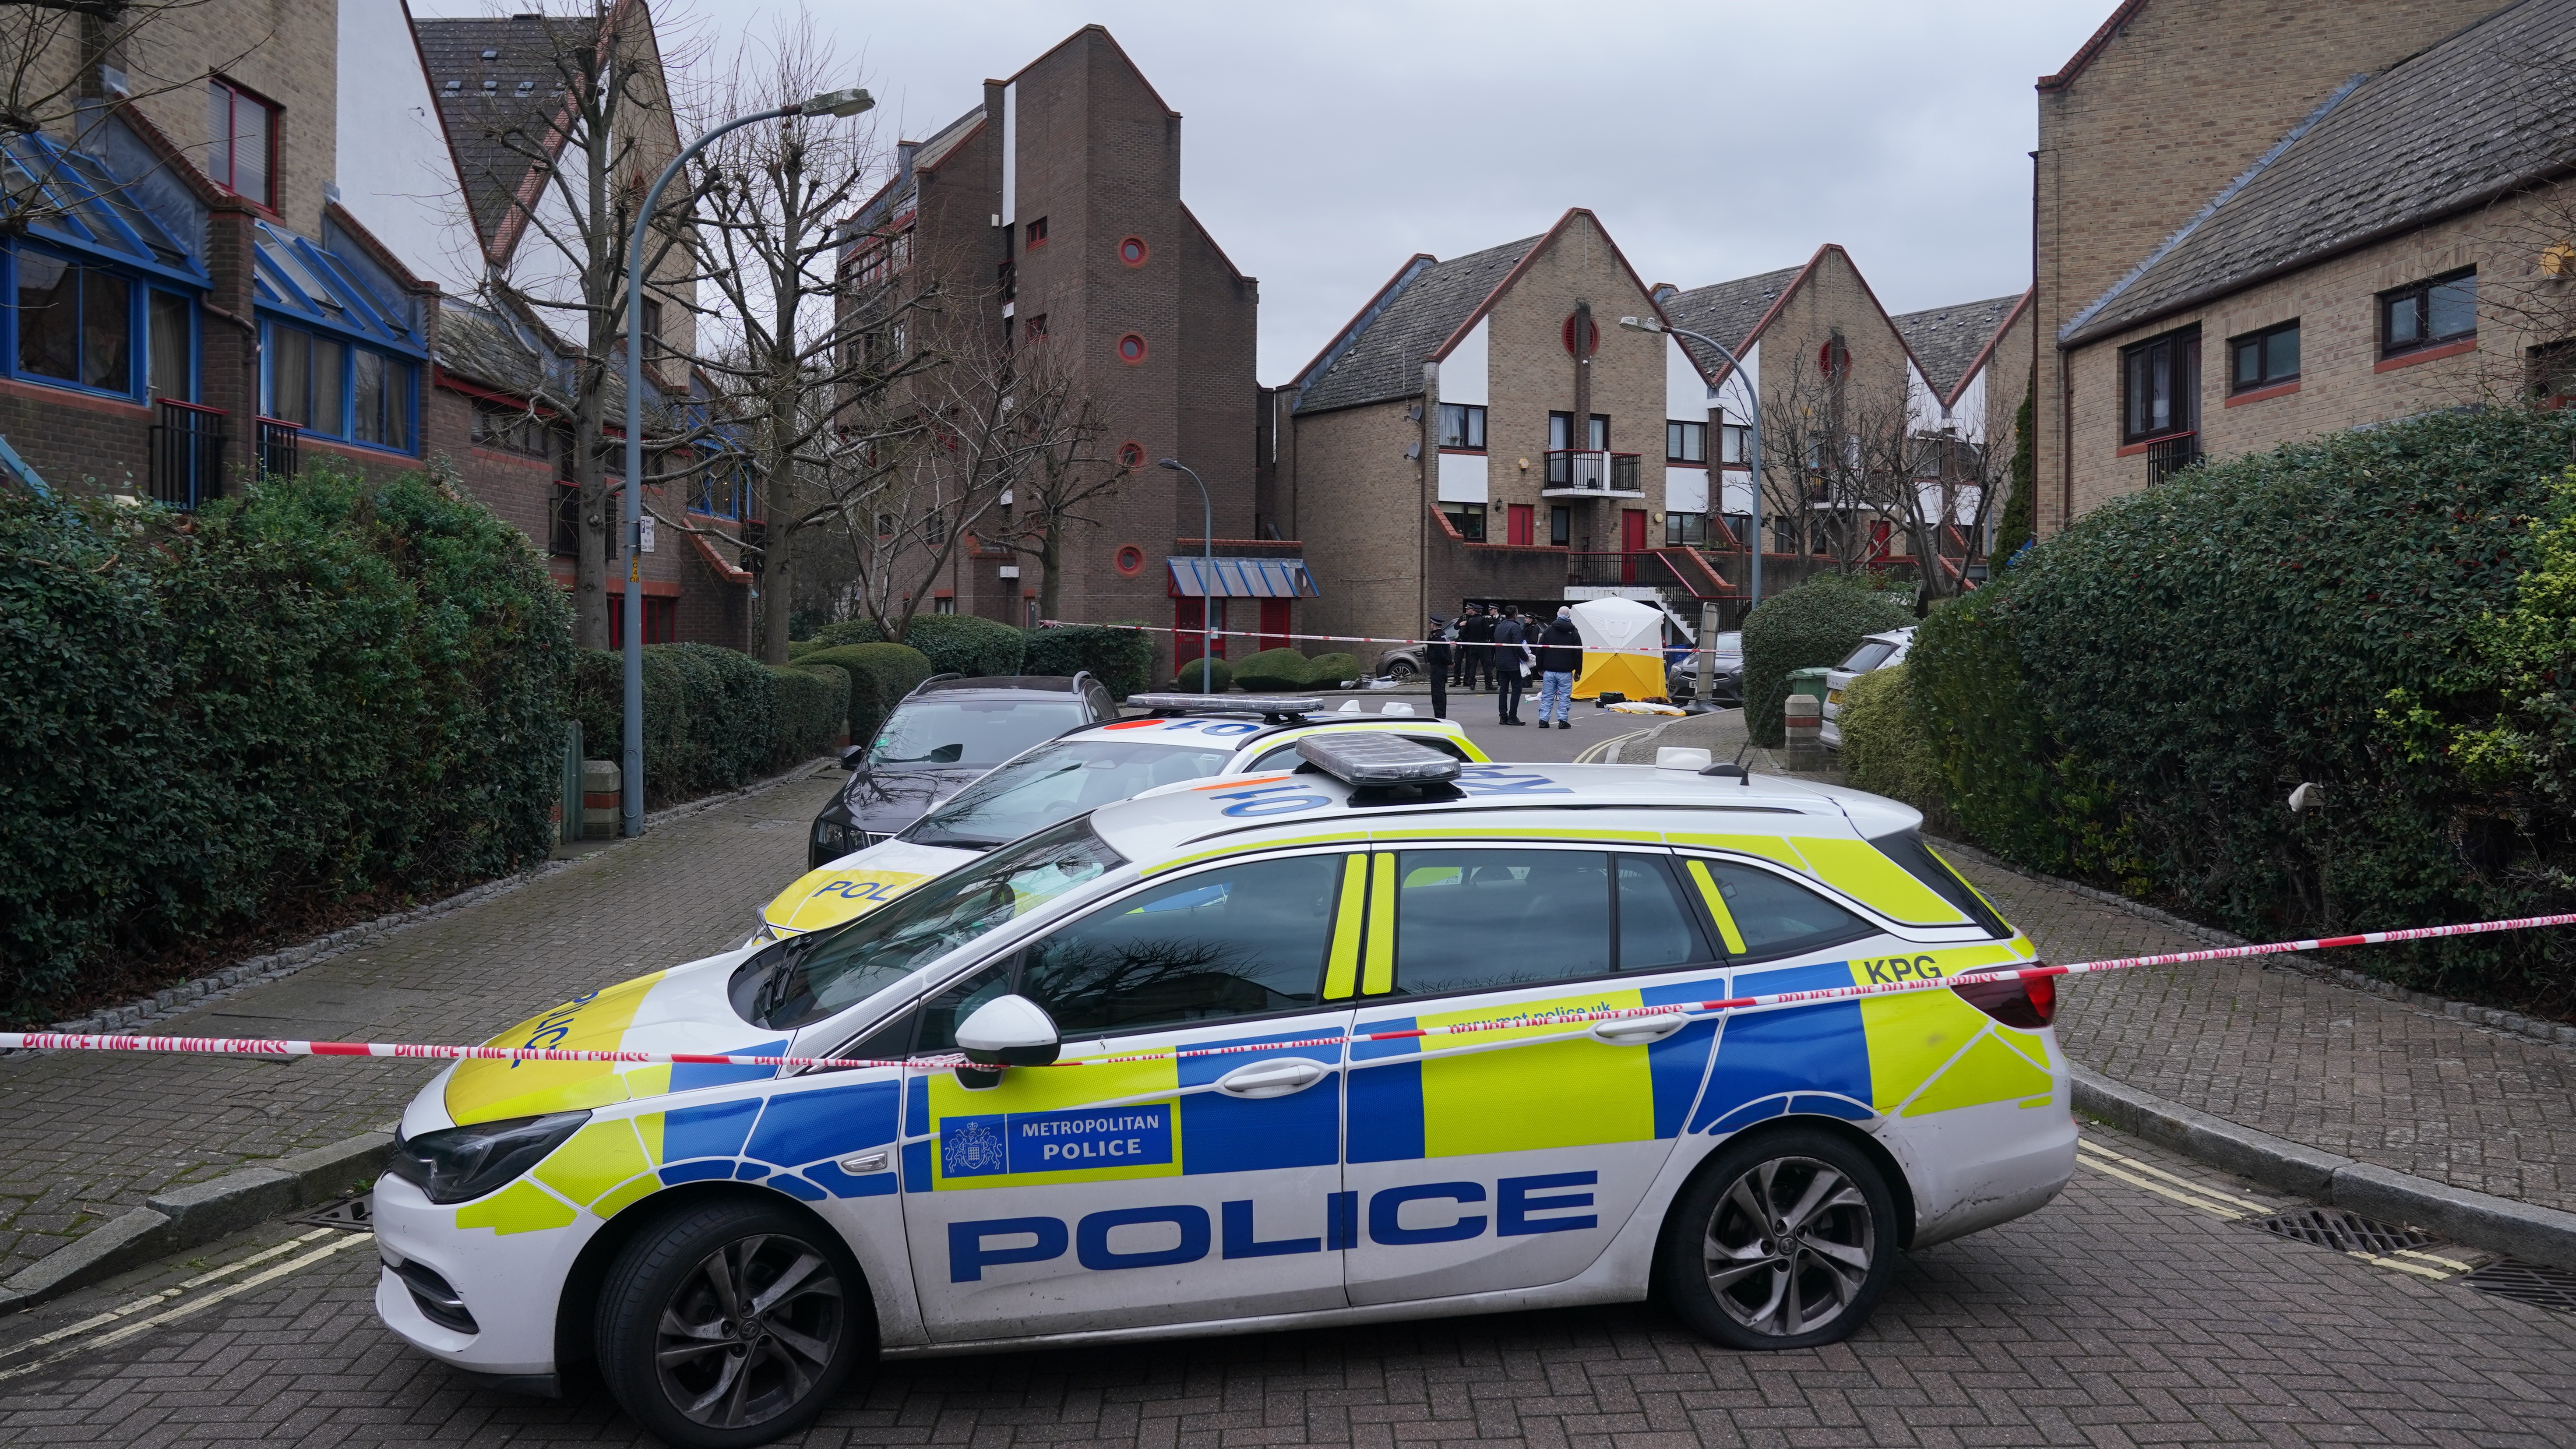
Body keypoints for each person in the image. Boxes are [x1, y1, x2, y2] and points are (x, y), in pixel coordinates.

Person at [1534, 605, 1584, 730]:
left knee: (1547, 696)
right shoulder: (1573, 632)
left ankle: (1543, 720)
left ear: (1558, 614)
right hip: (1566, 671)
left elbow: (1540, 650)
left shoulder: (1549, 630)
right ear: (1569, 615)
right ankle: (1562, 720)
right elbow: (1578, 653)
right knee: (1564, 696)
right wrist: (1578, 671)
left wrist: (1540, 667)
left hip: (1549, 670)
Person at [1490, 607, 1529, 725]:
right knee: (1516, 689)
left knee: (1503, 690)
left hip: (1501, 663)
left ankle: (1503, 716)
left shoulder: (1499, 627)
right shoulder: (1515, 627)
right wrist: (1526, 658)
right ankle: (1512, 717)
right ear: (1515, 615)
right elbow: (1517, 646)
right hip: (1513, 664)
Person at [1458, 603, 1495, 691]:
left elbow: (1464, 632)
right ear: (1481, 612)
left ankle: (1472, 684)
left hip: (1473, 646)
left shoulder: (1470, 621)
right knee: (1487, 665)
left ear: (1474, 611)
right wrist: (1492, 626)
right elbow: (1488, 631)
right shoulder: (1483, 620)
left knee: (1473, 665)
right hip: (1483, 645)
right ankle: (1489, 684)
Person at [1425, 614, 1455, 720]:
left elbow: (1440, 653)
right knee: (1441, 691)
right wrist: (1450, 662)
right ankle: (1441, 715)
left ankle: (1440, 716)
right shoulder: (1443, 635)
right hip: (1442, 667)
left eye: (1431, 624)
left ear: (1433, 625)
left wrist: (1448, 662)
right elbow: (1448, 650)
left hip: (1438, 667)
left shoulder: (1436, 637)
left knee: (1437, 693)